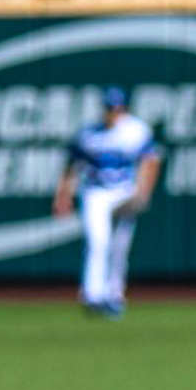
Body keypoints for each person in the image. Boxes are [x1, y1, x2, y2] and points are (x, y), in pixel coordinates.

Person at [51, 86, 161, 318]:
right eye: (110, 108)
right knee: (98, 241)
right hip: (96, 192)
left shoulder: (135, 130)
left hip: (124, 191)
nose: (114, 113)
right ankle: (93, 296)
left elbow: (151, 160)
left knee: (120, 246)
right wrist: (63, 195)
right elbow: (71, 165)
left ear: (124, 109)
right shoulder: (89, 134)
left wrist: (143, 192)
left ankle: (115, 294)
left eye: (118, 108)